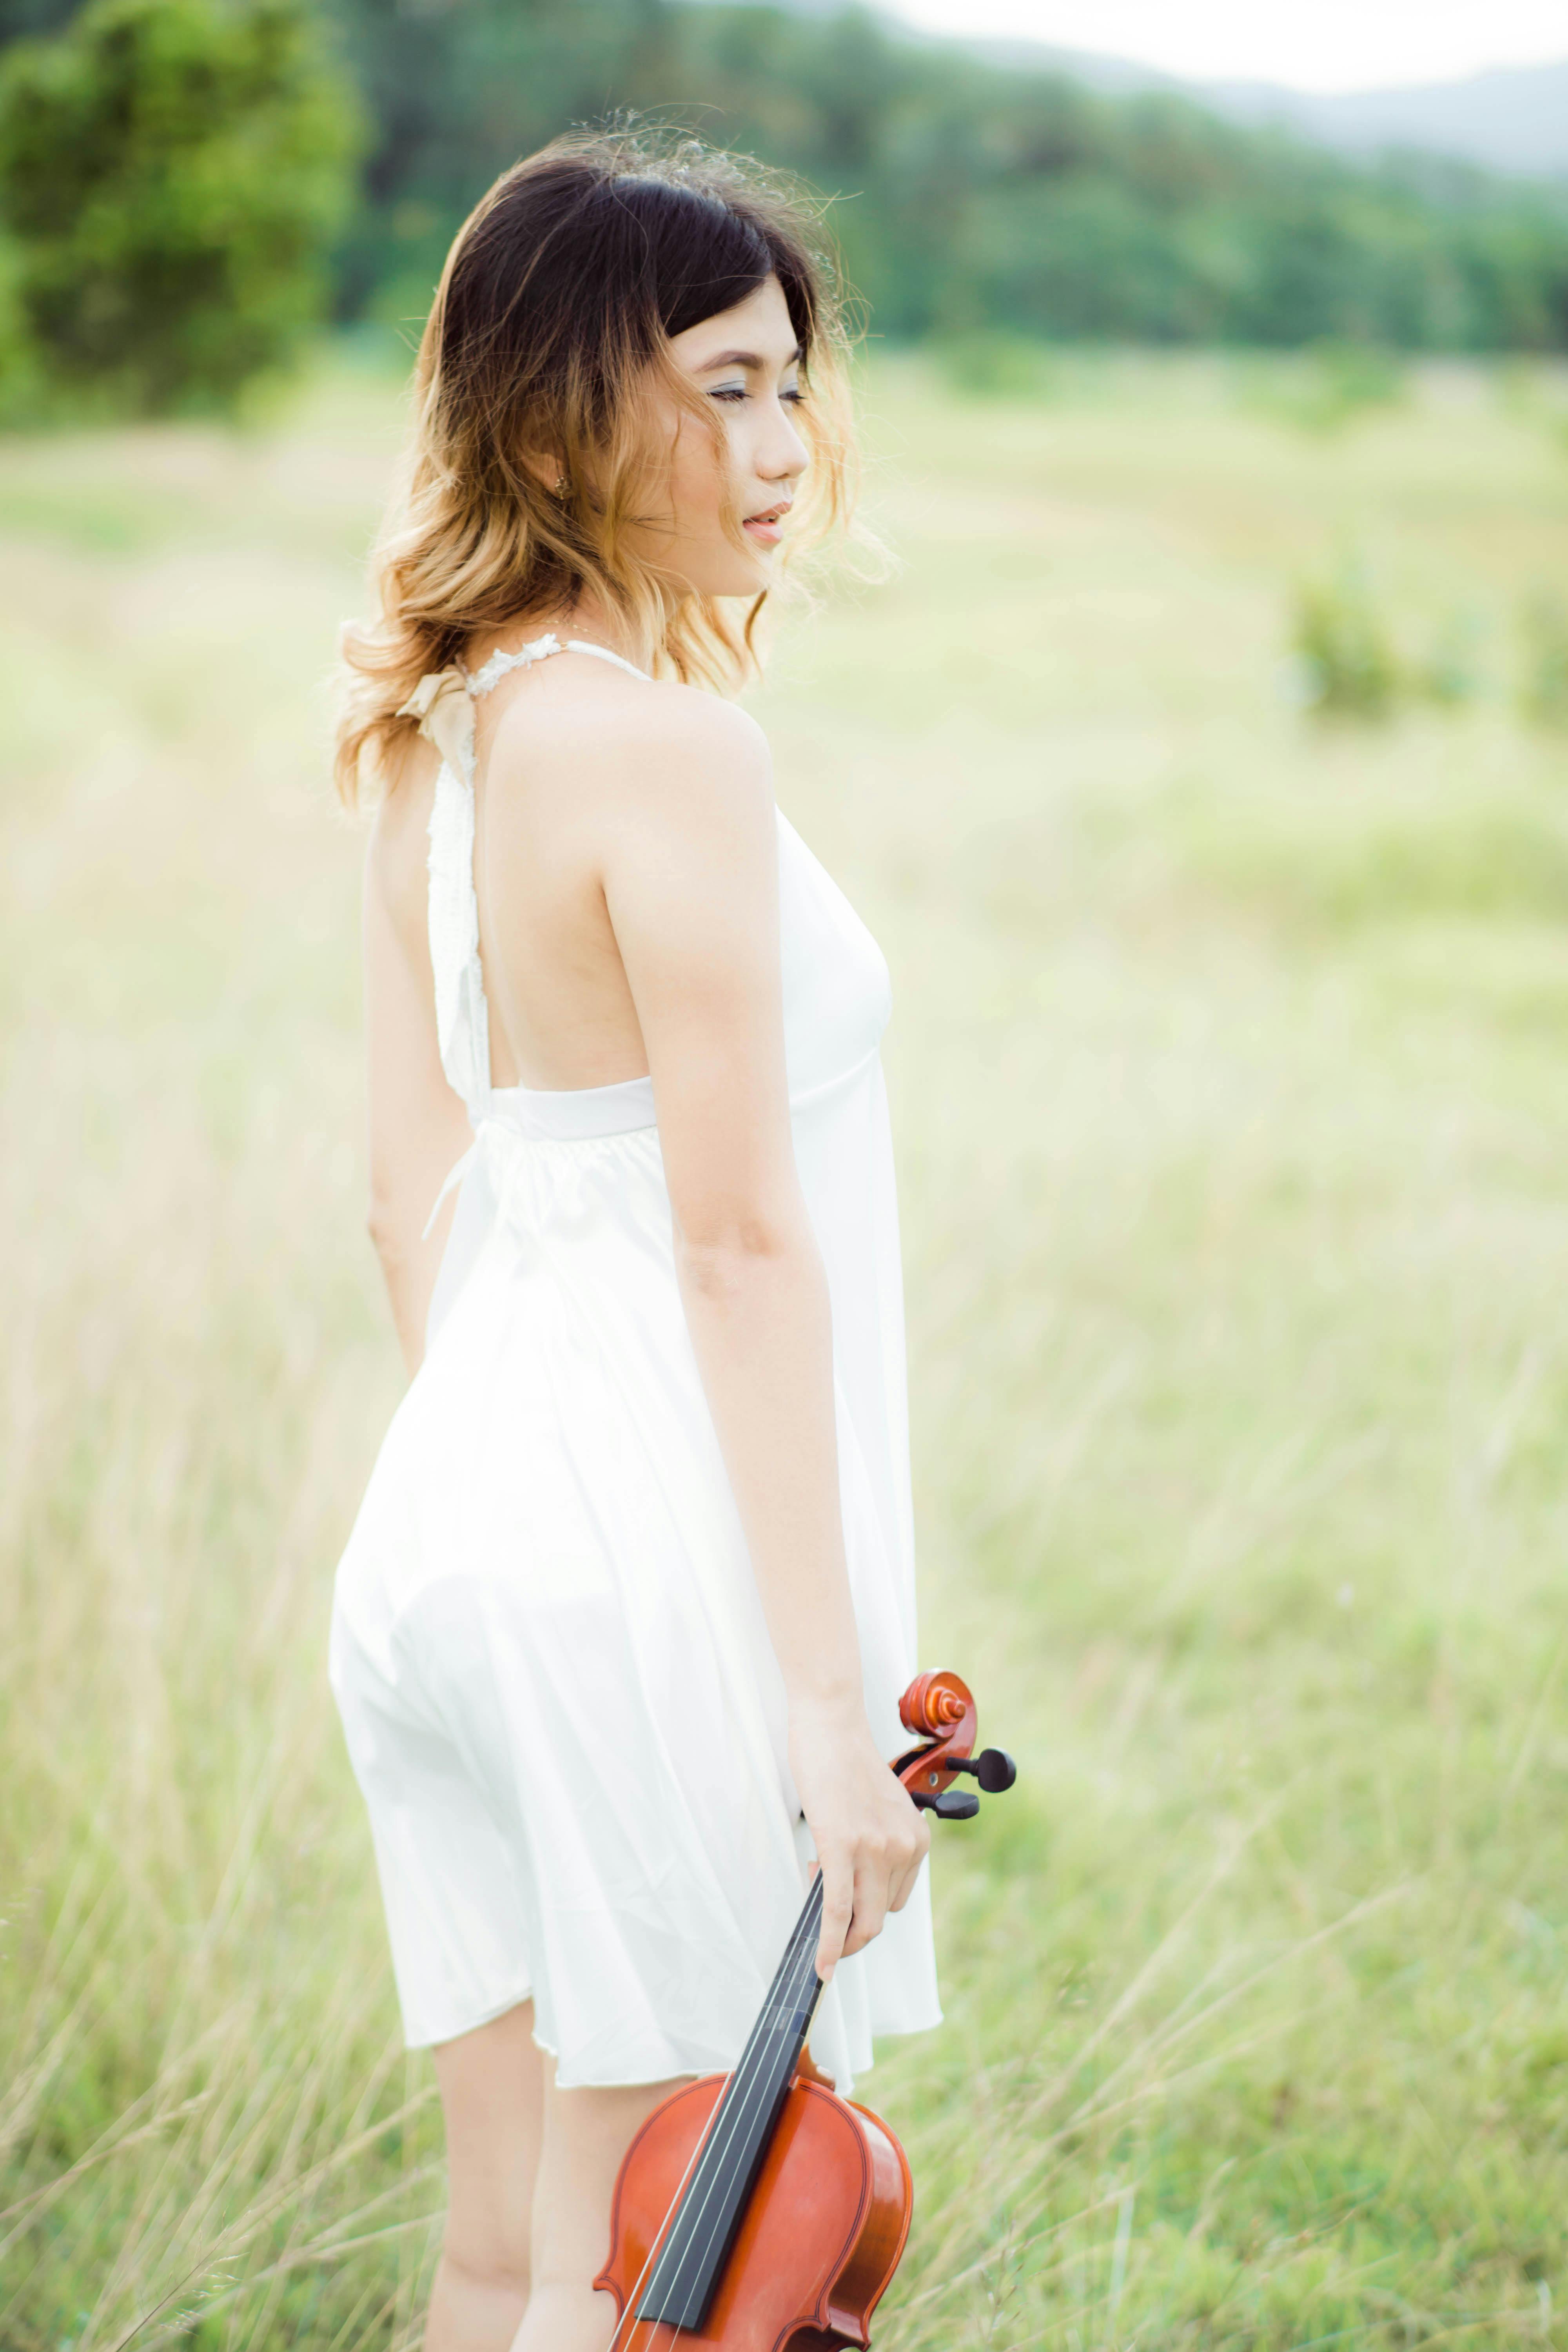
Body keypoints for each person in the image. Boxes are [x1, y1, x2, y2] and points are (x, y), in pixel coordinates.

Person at [329, 128, 939, 2352]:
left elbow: (413, 1194)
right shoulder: (675, 759)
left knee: (509, 2255)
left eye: (791, 381)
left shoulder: (434, 733)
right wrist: (822, 1705)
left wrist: (508, 1509)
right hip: (627, 1567)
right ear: (567, 404)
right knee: (639, 2278)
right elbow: (743, 1247)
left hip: (451, 1543)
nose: (780, 447)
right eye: (718, 386)